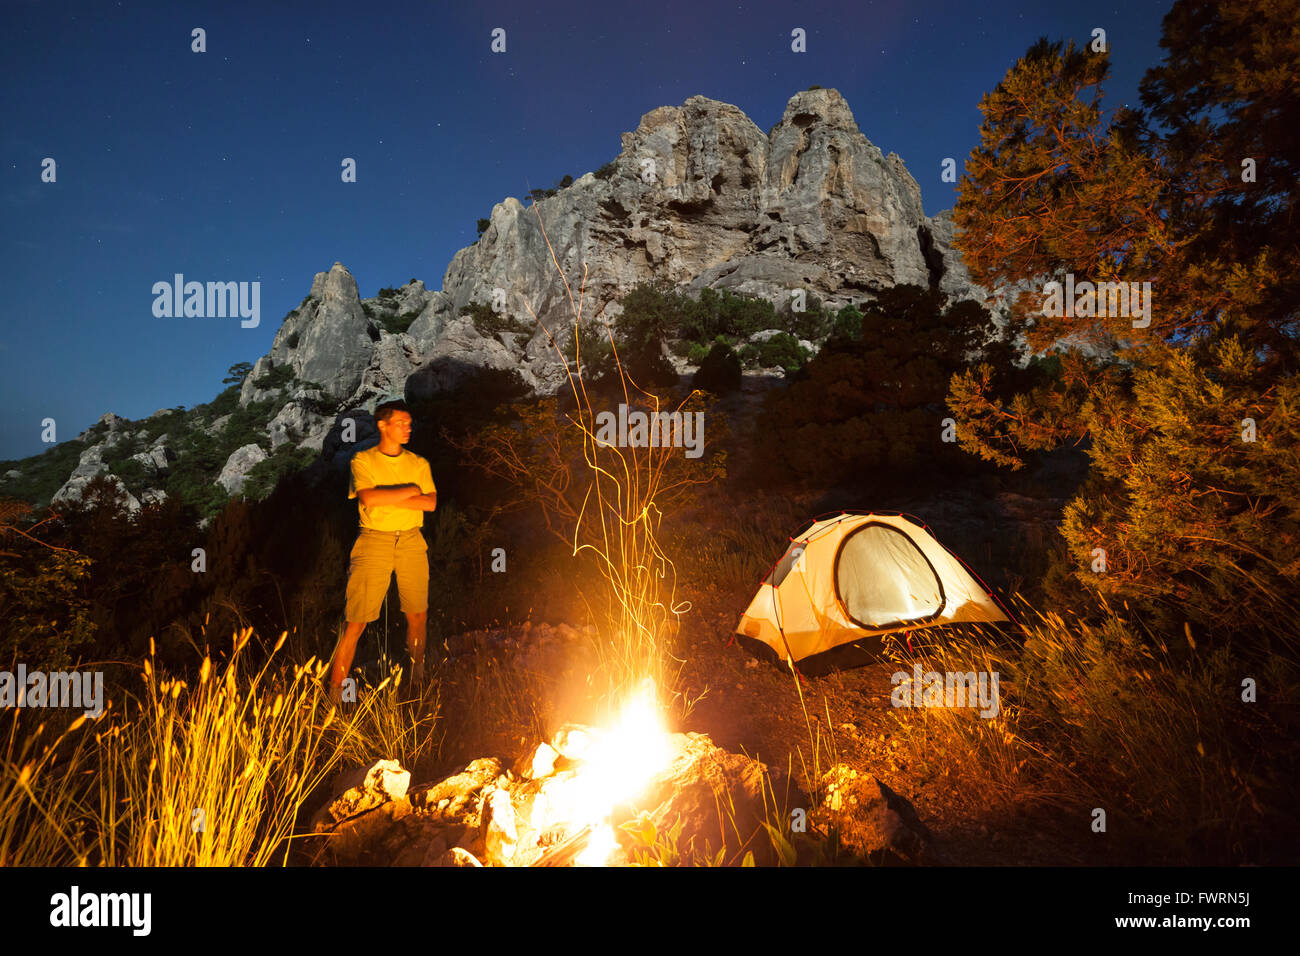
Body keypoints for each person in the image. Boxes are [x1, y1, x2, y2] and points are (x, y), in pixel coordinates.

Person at [325, 399, 437, 707]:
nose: (407, 428)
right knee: (356, 621)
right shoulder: (363, 461)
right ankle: (336, 694)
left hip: (412, 541)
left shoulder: (419, 463)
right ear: (383, 425)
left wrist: (391, 497)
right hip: (373, 541)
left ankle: (417, 679)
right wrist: (410, 492)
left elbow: (430, 504)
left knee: (417, 614)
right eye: (400, 423)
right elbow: (369, 498)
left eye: (409, 423)